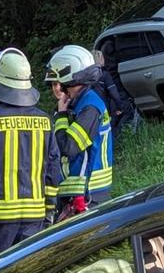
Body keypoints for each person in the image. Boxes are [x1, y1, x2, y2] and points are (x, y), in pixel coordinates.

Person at [0, 48, 62, 258]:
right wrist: (50, 209)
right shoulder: (45, 121)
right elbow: (53, 169)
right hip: (34, 221)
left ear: (0, 84)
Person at [46, 45, 114, 218]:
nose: (59, 87)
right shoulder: (79, 103)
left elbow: (68, 147)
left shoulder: (89, 106)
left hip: (89, 193)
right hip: (77, 191)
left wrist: (61, 116)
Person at [91, 46, 137, 135]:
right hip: (105, 107)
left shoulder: (87, 77)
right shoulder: (104, 75)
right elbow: (114, 93)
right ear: (99, 59)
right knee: (126, 112)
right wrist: (120, 107)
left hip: (93, 107)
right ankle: (118, 138)